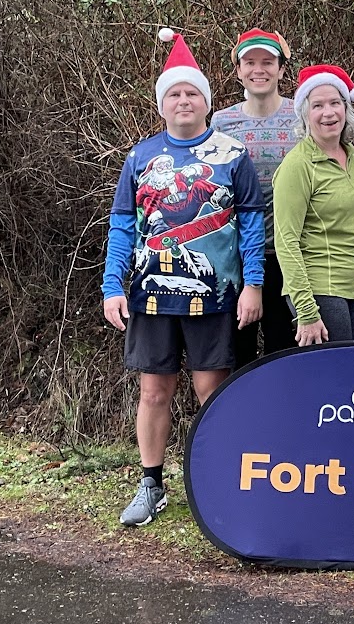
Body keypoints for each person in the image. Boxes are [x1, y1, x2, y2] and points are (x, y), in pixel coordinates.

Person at [102, 28, 266, 527]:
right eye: (174, 93)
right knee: (154, 391)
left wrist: (253, 284)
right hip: (150, 294)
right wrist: (112, 285)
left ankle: (216, 483)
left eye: (192, 92)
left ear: (207, 101)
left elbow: (252, 224)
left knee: (212, 391)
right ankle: (151, 484)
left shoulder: (232, 155)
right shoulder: (140, 157)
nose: (183, 101)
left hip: (216, 295)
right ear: (162, 104)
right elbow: (123, 225)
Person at [212, 28, 299, 364]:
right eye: (250, 62)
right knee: (238, 357)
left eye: (267, 62)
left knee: (284, 356)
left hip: (289, 256)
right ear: (238, 70)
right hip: (237, 257)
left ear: (281, 69)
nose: (258, 69)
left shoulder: (302, 117)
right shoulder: (222, 123)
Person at [272, 64, 354, 345]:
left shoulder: (351, 156)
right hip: (319, 290)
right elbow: (286, 241)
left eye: (335, 103)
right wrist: (306, 310)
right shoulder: (298, 165)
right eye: (318, 105)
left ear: (346, 108)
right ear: (305, 114)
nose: (328, 112)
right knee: (335, 370)